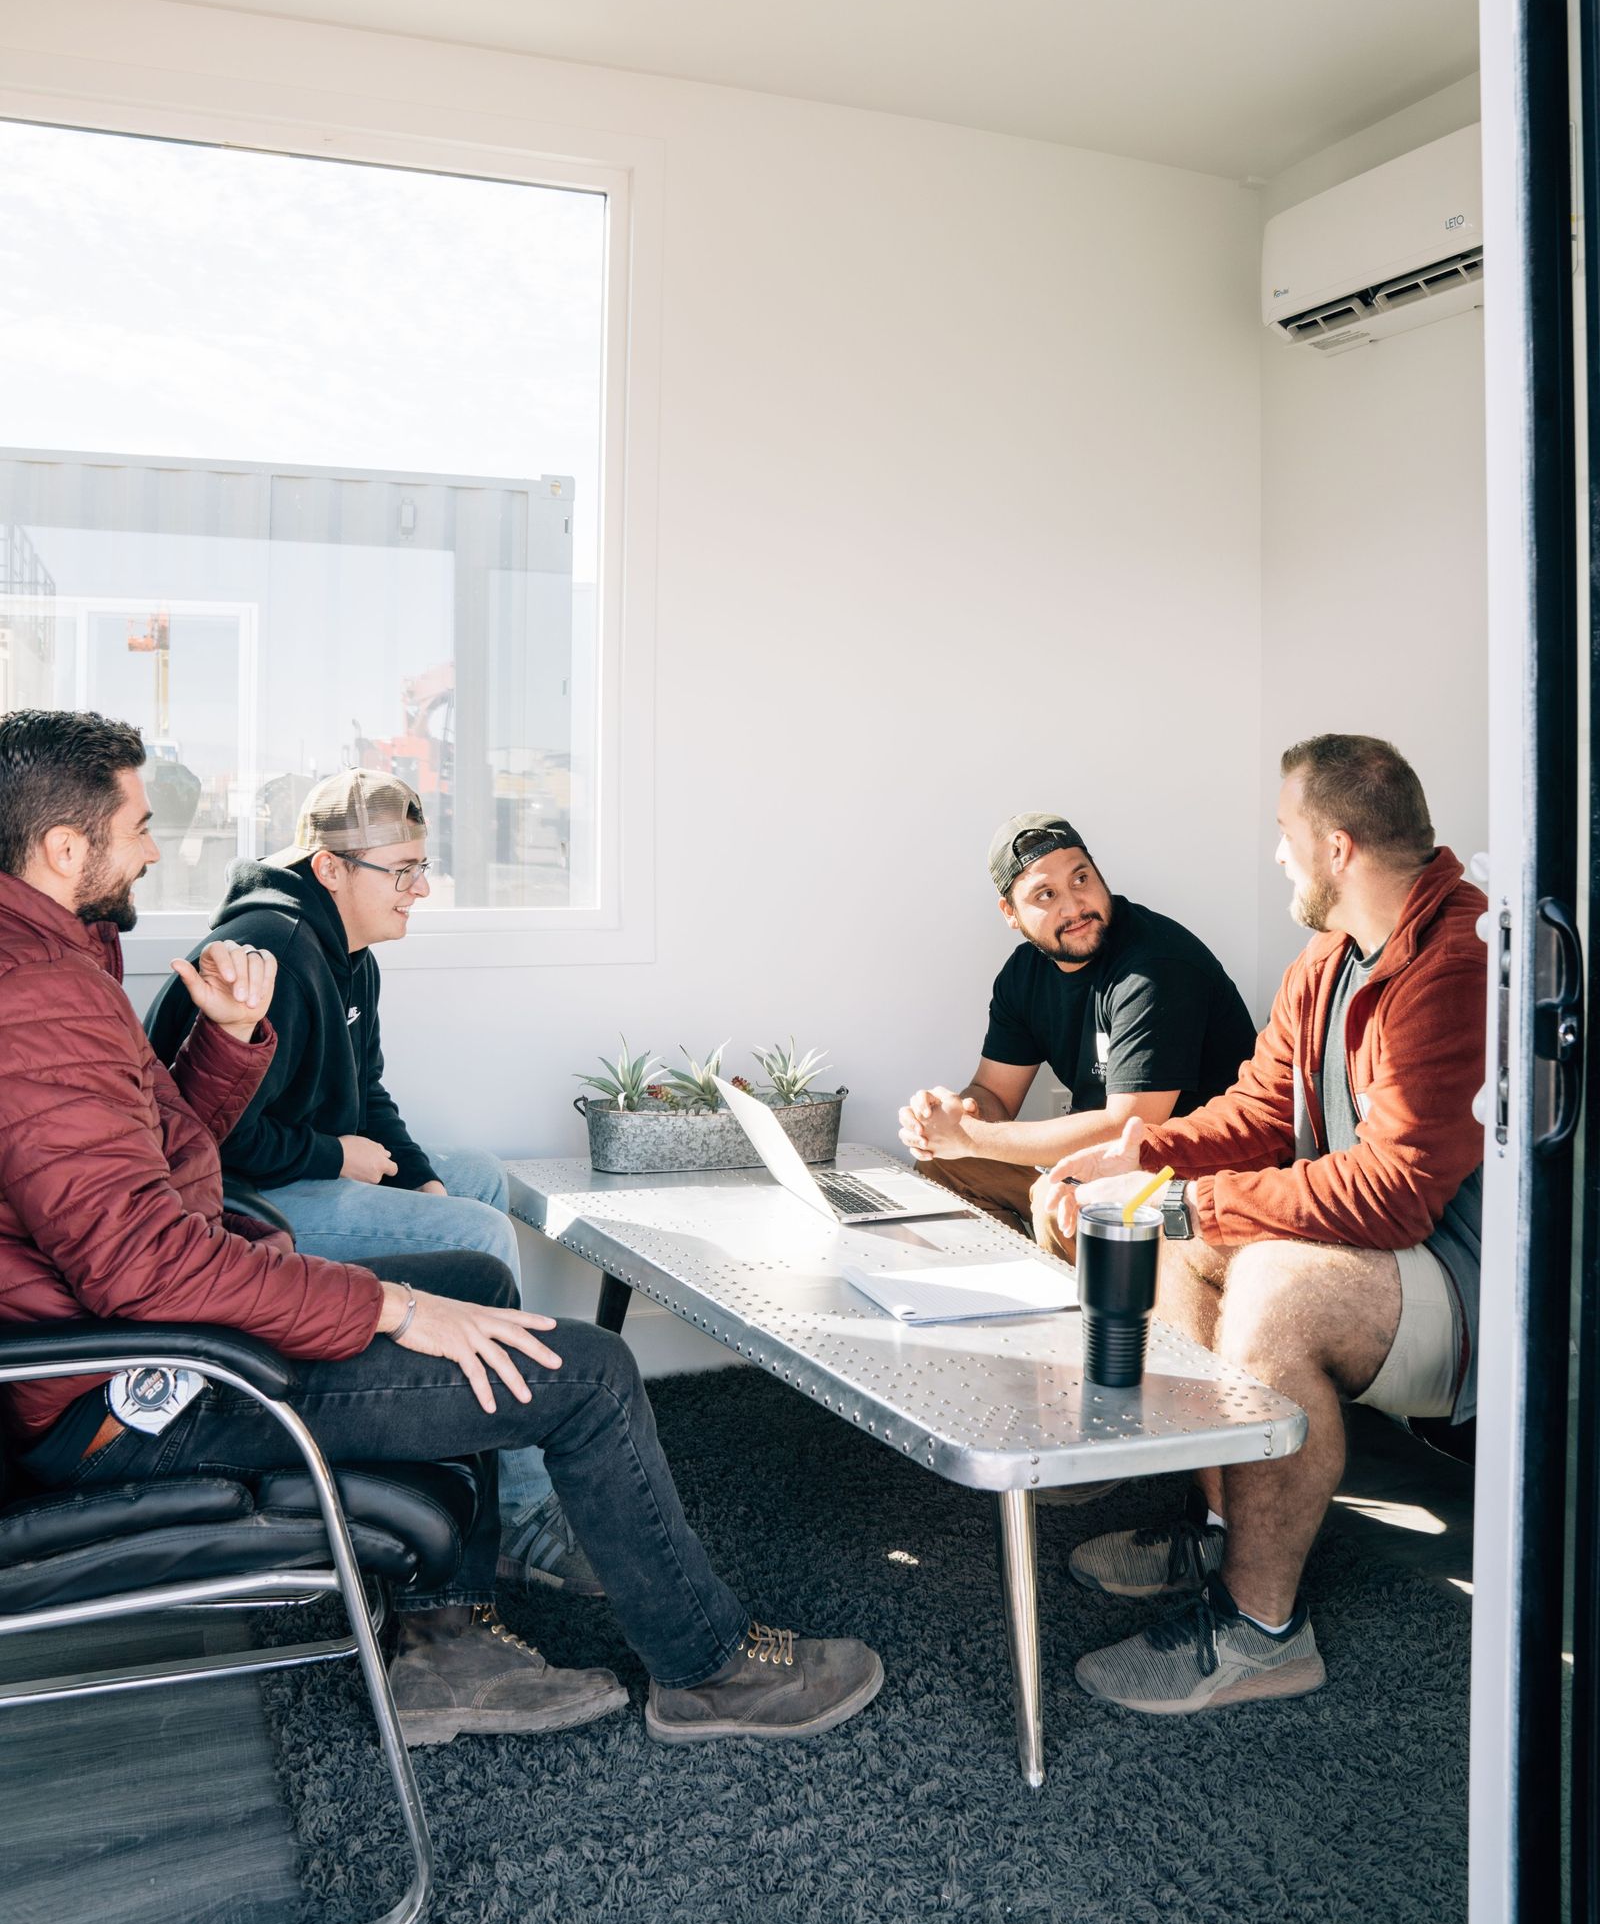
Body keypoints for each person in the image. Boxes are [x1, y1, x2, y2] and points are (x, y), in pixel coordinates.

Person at [0, 710, 882, 1748]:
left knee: (474, 1273)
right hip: (137, 1396)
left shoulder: (58, 964)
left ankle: (445, 1642)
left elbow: (162, 1165)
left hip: (152, 1352)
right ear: (66, 849)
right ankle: (708, 1669)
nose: (154, 847)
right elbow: (141, 1264)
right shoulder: (39, 994)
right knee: (589, 1371)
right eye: (139, 824)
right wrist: (388, 1305)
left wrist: (231, 1046)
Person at [1035, 735, 1484, 1716]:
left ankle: (1259, 1632)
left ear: (1336, 846)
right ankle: (1221, 1523)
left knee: (1273, 1284)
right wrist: (1140, 1158)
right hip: (1384, 1249)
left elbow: (1397, 1192)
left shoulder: (1458, 964)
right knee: (1182, 1247)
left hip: (1465, 1280)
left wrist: (1192, 1199)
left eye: (1284, 834)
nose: (1274, 854)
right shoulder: (1323, 962)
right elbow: (1257, 1114)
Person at [144, 769, 583, 1597]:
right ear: (331, 869)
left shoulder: (353, 955)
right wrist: (333, 1157)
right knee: (481, 1239)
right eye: (401, 871)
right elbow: (212, 1139)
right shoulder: (270, 947)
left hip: (302, 1171)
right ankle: (525, 1509)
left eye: (424, 867)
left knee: (477, 1185)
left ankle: (488, 1444)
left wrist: (416, 1182)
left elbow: (367, 1091)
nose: (419, 889)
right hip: (242, 1210)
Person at [898, 813, 1256, 1244]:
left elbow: (1130, 1126)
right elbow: (993, 1094)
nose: (1073, 907)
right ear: (1010, 913)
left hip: (1191, 1178)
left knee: (1058, 1199)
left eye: (1081, 879)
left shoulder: (1156, 967)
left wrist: (973, 1137)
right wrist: (951, 1118)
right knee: (943, 1164)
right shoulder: (1024, 975)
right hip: (1100, 1164)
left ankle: (1081, 1300)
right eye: (1045, 894)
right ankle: (1013, 1293)